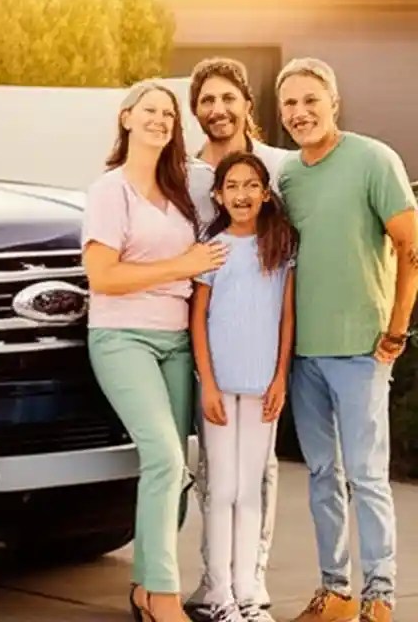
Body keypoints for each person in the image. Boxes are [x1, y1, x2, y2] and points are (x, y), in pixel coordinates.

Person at [82, 79, 228, 622]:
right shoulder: (109, 191)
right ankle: (165, 596)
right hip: (123, 338)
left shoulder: (180, 192)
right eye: (149, 110)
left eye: (168, 113)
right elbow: (103, 276)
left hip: (176, 342)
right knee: (165, 457)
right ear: (126, 118)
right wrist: (181, 266)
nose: (160, 119)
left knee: (174, 468)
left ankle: (146, 587)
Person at [277, 58, 417, 622]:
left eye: (311, 100)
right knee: (321, 476)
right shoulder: (288, 175)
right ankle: (334, 591)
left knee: (367, 475)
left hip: (362, 349)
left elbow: (411, 247)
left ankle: (379, 596)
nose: (300, 112)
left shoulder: (373, 159)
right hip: (304, 354)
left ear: (334, 103)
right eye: (290, 103)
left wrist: (397, 327)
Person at [181, 58, 294, 621]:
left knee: (254, 481)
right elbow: (198, 308)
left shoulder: (279, 169)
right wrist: (206, 378)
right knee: (217, 480)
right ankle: (218, 588)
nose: (218, 109)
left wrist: (281, 375)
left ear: (248, 103)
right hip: (219, 366)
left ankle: (250, 588)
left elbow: (286, 307)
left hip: (261, 369)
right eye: (207, 100)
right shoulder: (188, 179)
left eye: (228, 97)